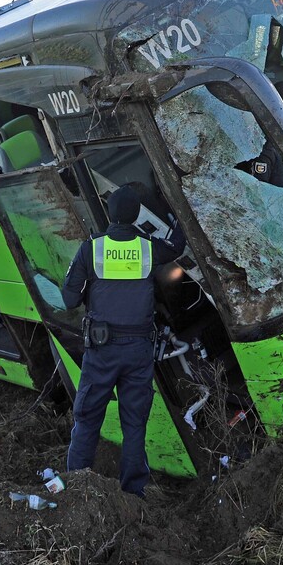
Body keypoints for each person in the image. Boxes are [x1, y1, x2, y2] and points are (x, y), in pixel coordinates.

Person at [60, 185, 185, 497]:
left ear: (110, 214)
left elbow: (68, 300)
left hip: (102, 351)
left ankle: (77, 490)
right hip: (139, 351)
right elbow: (177, 246)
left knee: (87, 419)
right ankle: (133, 494)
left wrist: (92, 288)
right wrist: (180, 212)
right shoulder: (147, 248)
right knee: (134, 424)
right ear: (135, 215)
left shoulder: (92, 249)